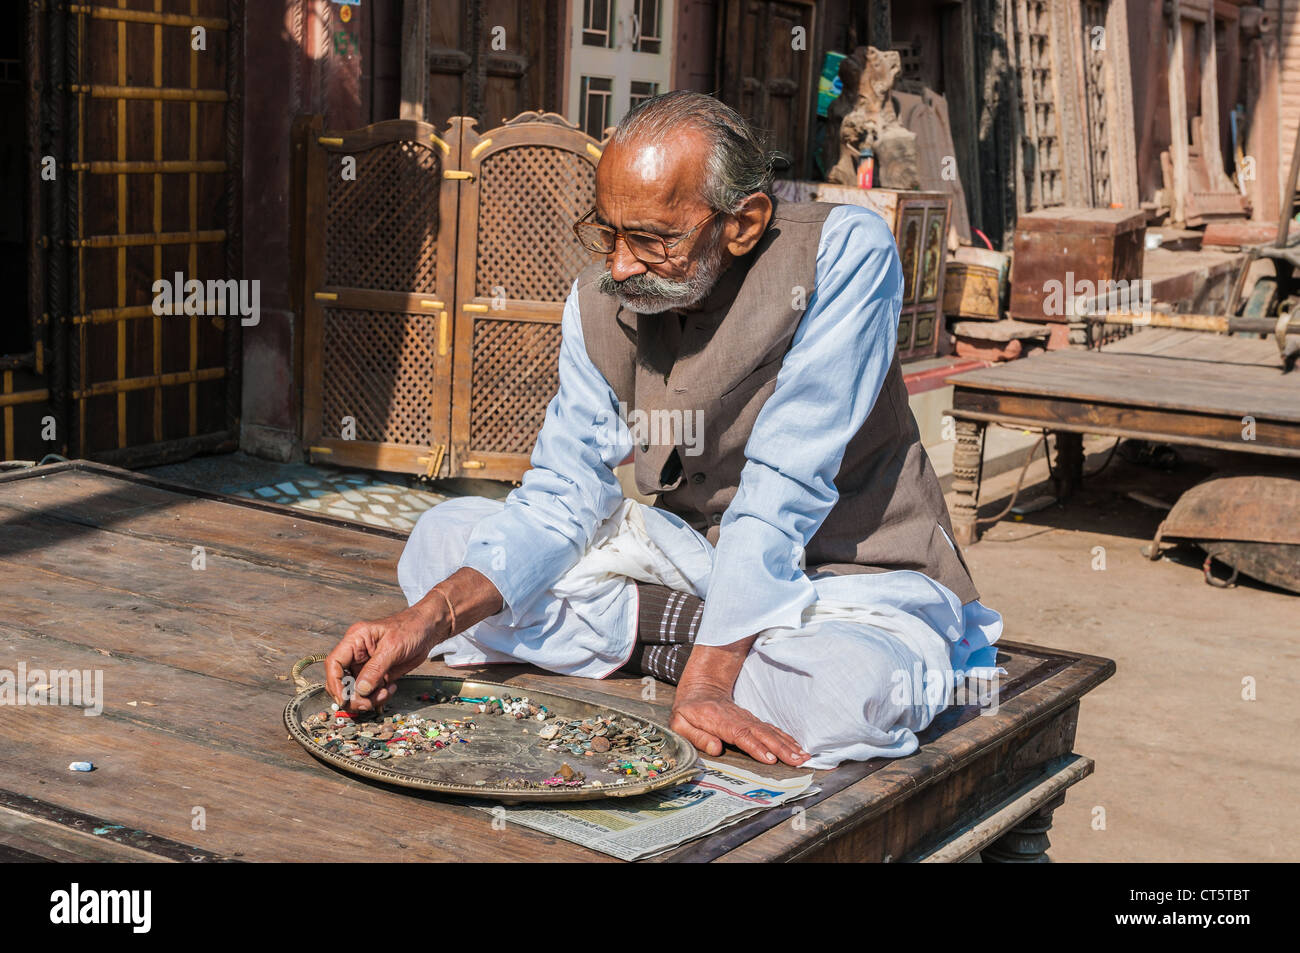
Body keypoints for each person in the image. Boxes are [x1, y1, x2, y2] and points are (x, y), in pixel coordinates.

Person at [324, 90, 1002, 770]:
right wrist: (425, 622)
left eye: (651, 239)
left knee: (850, 696)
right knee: (440, 547)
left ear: (743, 223)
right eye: (609, 233)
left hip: (852, 576)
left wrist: (706, 683)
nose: (620, 264)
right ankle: (691, 636)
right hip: (697, 563)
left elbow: (783, 479)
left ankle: (684, 648)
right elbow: (563, 494)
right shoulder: (596, 302)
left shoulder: (844, 254)